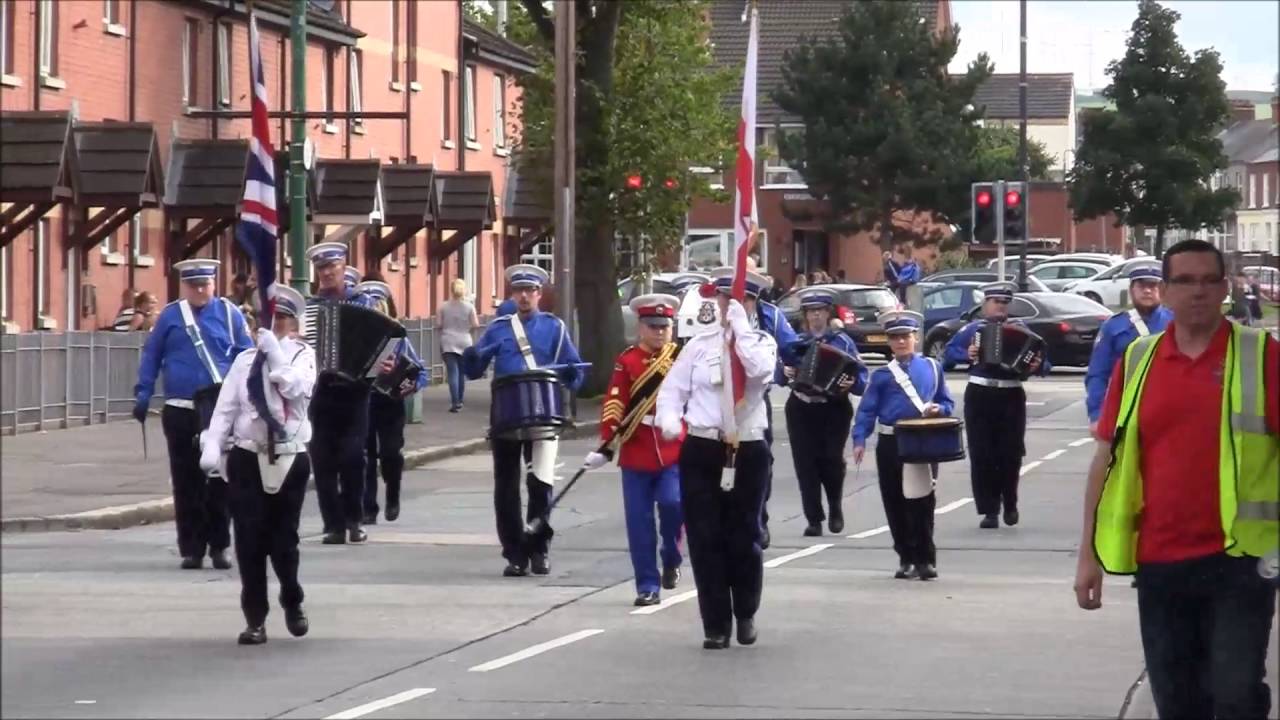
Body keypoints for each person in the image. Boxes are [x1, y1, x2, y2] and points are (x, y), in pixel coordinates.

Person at [1074, 239, 1278, 720]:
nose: (1198, 292)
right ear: (1163, 292)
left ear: (1225, 289)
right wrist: (1089, 556)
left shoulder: (1263, 356)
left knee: (1236, 692)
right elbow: (1107, 458)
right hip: (1161, 559)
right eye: (1184, 281)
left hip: (1243, 560)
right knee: (1178, 700)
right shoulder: (1139, 360)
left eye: (1209, 280)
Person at [656, 273, 778, 649]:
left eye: (737, 301)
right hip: (704, 447)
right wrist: (669, 418)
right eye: (724, 301)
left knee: (743, 536)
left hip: (747, 448)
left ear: (753, 305)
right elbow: (673, 389)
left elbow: (760, 372)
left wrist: (741, 329)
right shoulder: (698, 346)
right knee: (704, 538)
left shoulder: (762, 343)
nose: (727, 307)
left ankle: (745, 612)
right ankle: (715, 624)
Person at [199, 285, 315, 646]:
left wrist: (276, 356)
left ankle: (292, 598)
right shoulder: (244, 362)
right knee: (248, 541)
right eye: (267, 319)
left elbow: (295, 390)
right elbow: (226, 409)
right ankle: (255, 617)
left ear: (293, 323)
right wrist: (214, 444)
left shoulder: (302, 356)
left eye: (280, 319)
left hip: (289, 454)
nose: (272, 325)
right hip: (248, 455)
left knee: (284, 541)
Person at [463, 264, 586, 577]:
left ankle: (538, 550)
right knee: (505, 488)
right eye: (518, 291)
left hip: (543, 412)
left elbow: (574, 371)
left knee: (540, 484)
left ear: (539, 294)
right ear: (512, 294)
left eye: (530, 290)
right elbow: (474, 370)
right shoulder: (498, 327)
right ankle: (515, 553)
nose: (524, 296)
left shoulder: (554, 328)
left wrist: (572, 374)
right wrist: (473, 355)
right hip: (506, 413)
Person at [134, 258, 253, 569]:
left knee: (219, 479)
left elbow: (246, 355)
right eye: (194, 285)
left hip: (219, 410)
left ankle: (220, 546)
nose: (201, 290)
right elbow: (152, 355)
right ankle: (191, 548)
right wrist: (143, 393)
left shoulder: (229, 314)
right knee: (186, 481)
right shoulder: (171, 317)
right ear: (184, 286)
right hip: (181, 409)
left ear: (214, 283)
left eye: (205, 284)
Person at [587, 293, 686, 607]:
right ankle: (647, 585)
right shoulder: (627, 360)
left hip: (673, 448)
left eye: (664, 326)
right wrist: (606, 444)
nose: (659, 332)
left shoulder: (681, 358)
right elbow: (615, 402)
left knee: (674, 505)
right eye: (653, 326)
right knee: (639, 523)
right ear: (641, 327)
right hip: (637, 449)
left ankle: (671, 555)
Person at [852, 310, 955, 580]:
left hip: (921, 439)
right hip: (890, 440)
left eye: (905, 337)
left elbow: (947, 402)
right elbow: (866, 410)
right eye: (895, 338)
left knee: (922, 500)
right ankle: (905, 556)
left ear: (916, 338)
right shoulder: (882, 375)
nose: (900, 343)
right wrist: (859, 438)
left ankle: (926, 559)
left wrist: (938, 409)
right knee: (895, 500)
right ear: (889, 342)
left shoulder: (932, 368)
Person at [943, 281, 1048, 529]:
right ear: (984, 305)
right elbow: (947, 355)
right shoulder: (972, 329)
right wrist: (965, 354)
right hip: (980, 392)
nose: (1000, 307)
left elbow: (1045, 363)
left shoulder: (1023, 330)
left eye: (1004, 303)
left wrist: (1036, 366)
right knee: (982, 453)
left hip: (1010, 395)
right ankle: (989, 509)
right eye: (995, 302)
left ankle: (1010, 502)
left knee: (1011, 453)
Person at [709, 265, 798, 550]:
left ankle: (758, 517)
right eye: (725, 296)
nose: (732, 303)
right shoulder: (707, 320)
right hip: (713, 402)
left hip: (754, 400)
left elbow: (790, 349)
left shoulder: (770, 316)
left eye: (744, 297)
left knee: (760, 464)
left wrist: (785, 371)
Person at [304, 242, 385, 545]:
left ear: (343, 267)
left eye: (331, 267)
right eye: (321, 268)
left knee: (353, 457)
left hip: (356, 391)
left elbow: (384, 340)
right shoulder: (309, 309)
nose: (326, 273)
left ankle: (354, 517)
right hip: (320, 392)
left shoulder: (363, 302)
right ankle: (333, 525)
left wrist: (381, 363)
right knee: (322, 460)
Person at [780, 287, 867, 536]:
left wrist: (853, 384)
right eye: (811, 312)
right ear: (805, 315)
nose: (816, 316)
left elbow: (860, 375)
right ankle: (813, 519)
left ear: (828, 313)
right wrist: (786, 373)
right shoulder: (796, 344)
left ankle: (835, 506)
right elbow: (779, 373)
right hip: (801, 406)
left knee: (831, 460)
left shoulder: (843, 342)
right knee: (805, 464)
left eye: (820, 311)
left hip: (834, 408)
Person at [356, 279, 427, 525]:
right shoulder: (357, 339)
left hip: (390, 402)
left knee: (390, 453)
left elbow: (420, 373)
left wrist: (403, 379)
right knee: (366, 455)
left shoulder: (397, 339)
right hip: (364, 401)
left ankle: (393, 493)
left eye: (379, 307)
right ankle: (369, 508)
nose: (375, 312)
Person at [1084, 264, 1172, 435]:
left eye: (1153, 286)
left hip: (1166, 411)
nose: (1147, 291)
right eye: (1141, 286)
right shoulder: (1113, 326)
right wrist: (1096, 415)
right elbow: (1098, 373)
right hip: (1124, 409)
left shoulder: (1176, 324)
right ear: (1131, 290)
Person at [439, 279, 480, 412]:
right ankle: (460, 400)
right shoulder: (469, 307)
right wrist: (468, 330)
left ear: (451, 290)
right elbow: (475, 325)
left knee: (452, 372)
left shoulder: (443, 306)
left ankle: (455, 402)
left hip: (448, 340)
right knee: (461, 373)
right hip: (464, 340)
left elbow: (438, 324)